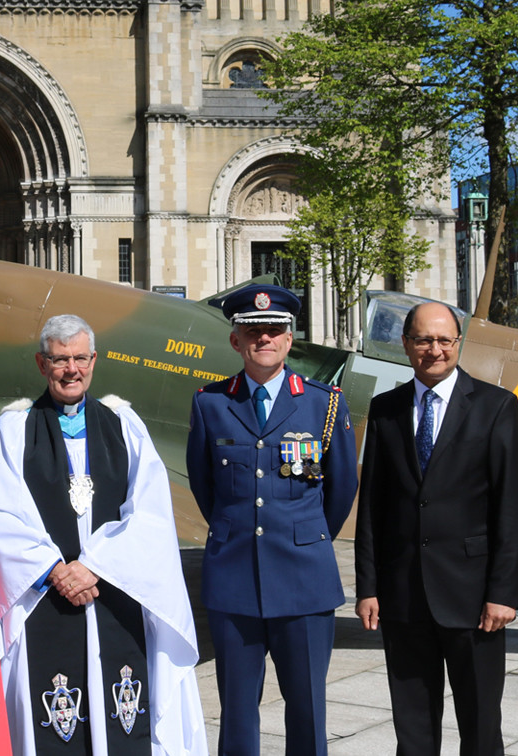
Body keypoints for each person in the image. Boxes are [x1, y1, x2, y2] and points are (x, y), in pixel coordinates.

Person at [0, 314, 207, 756]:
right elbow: (1, 515)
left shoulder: (124, 424)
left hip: (114, 596)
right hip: (45, 595)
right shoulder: (15, 429)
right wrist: (55, 570)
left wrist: (93, 565)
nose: (71, 370)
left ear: (94, 361)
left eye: (80, 358)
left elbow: (151, 513)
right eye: (60, 360)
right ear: (41, 364)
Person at [185, 284, 358, 756]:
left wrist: (303, 537)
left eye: (274, 329)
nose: (264, 338)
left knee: (307, 709)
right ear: (235, 340)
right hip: (234, 580)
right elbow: (205, 487)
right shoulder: (211, 403)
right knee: (237, 712)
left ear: (289, 338)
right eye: (252, 330)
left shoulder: (324, 403)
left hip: (304, 582)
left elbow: (341, 489)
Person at [354, 302, 518, 756]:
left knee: (480, 727)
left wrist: (505, 593)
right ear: (406, 344)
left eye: (444, 340)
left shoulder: (495, 407)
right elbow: (373, 505)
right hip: (403, 597)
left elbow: (512, 507)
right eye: (423, 340)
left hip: (474, 598)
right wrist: (368, 587)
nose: (434, 350)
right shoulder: (386, 409)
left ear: (458, 343)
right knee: (412, 730)